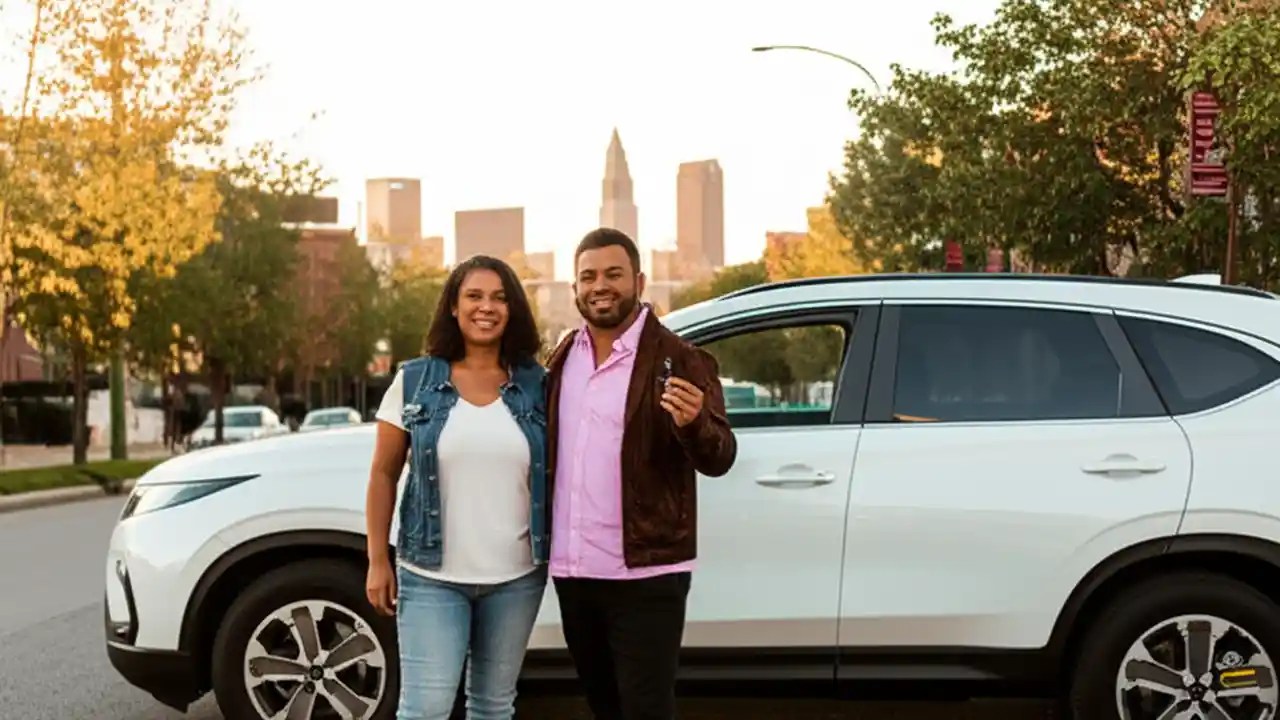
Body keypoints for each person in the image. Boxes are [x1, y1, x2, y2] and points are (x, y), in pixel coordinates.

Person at [544, 228, 738, 720]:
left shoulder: (682, 359)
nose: (600, 285)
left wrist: (695, 425)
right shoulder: (563, 359)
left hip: (647, 573)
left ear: (639, 280)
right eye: (588, 276)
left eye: (613, 274)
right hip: (574, 572)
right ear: (575, 289)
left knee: (645, 710)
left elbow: (720, 457)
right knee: (603, 706)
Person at [364, 254, 548, 720]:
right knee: (424, 709)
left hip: (517, 577)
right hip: (431, 577)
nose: (486, 307)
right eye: (474, 296)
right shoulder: (414, 381)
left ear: (513, 310)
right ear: (453, 305)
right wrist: (377, 559)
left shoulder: (537, 385)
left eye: (499, 298)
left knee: (493, 707)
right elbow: (384, 473)